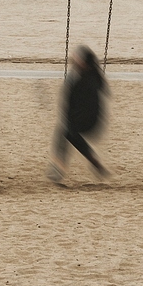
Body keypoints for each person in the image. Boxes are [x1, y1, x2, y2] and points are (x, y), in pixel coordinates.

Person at [47, 45, 110, 183]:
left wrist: (70, 118)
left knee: (68, 132)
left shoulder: (86, 80)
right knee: (65, 132)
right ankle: (62, 166)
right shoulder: (87, 76)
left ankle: (60, 167)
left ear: (85, 63)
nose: (74, 61)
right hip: (81, 118)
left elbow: (78, 102)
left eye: (78, 59)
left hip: (89, 121)